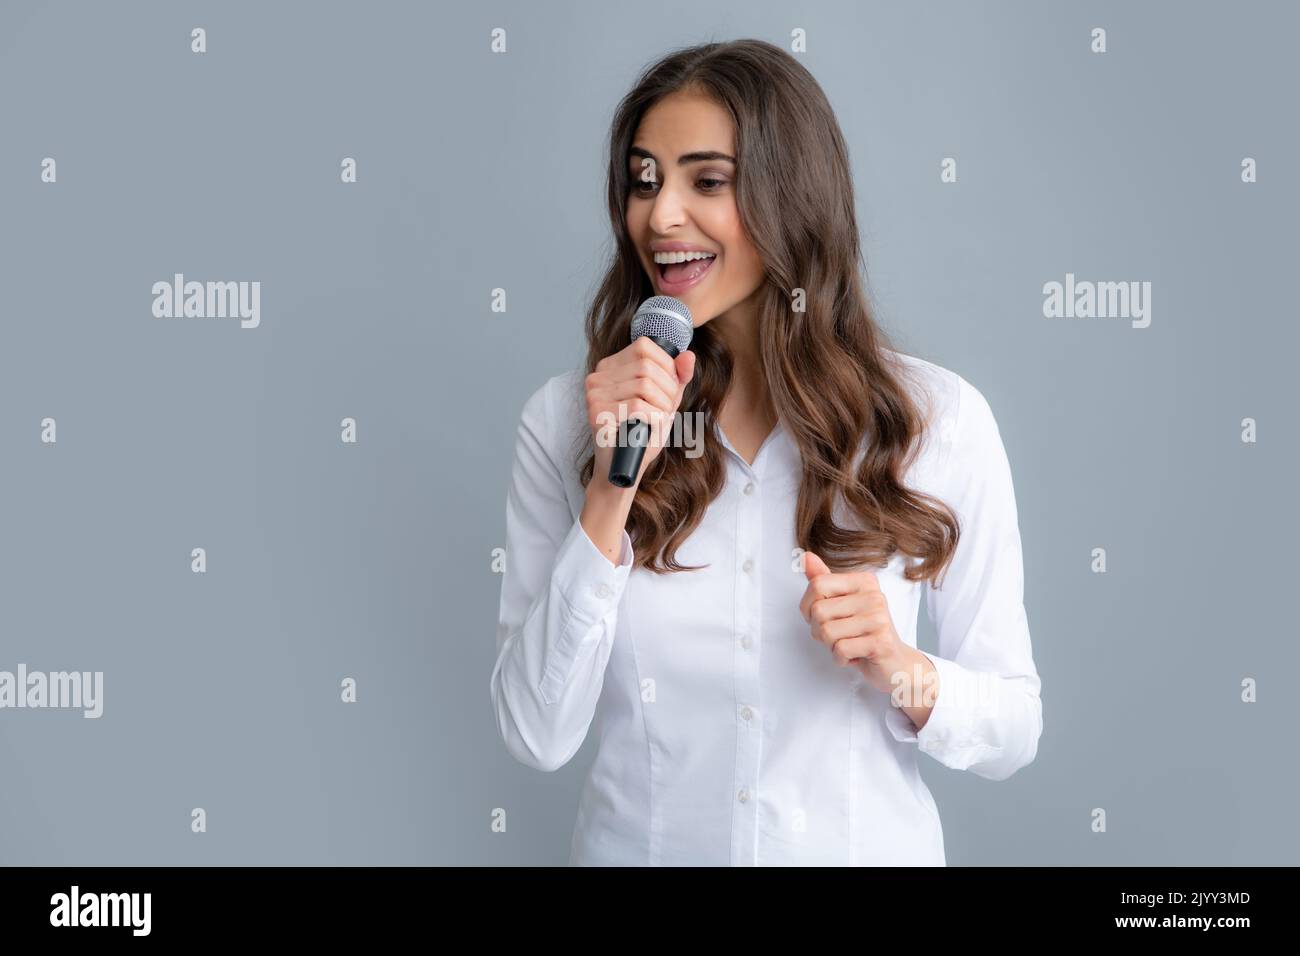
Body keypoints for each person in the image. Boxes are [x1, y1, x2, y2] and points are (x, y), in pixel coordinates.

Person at [489, 39, 1042, 866]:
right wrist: (613, 488)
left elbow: (1013, 730)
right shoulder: (566, 422)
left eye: (706, 180)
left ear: (792, 197)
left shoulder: (937, 421)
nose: (661, 215)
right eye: (644, 180)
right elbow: (536, 732)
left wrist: (901, 667)